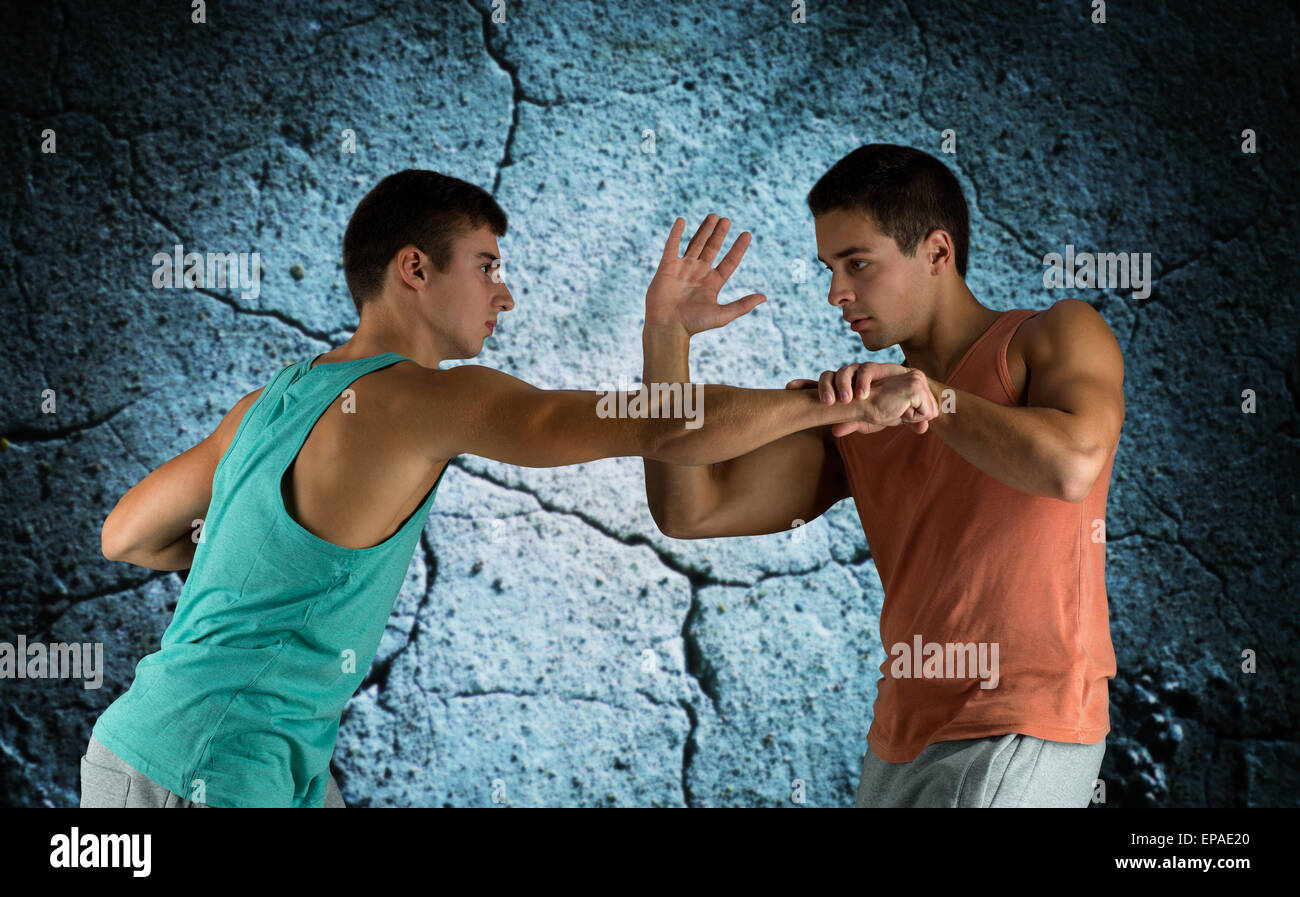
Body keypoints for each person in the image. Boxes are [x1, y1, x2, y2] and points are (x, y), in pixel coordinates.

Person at [87, 169, 935, 807]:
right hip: (214, 766)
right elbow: (664, 423)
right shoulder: (428, 397)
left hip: (147, 748)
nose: (507, 294)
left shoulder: (271, 399)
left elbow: (126, 534)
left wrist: (254, 565)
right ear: (414, 269)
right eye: (487, 266)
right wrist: (834, 402)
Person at [642, 144, 1125, 808]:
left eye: (857, 264)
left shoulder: (1053, 334)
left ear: (936, 252)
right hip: (899, 737)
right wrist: (666, 339)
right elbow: (689, 510)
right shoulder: (859, 409)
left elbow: (1073, 465)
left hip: (1024, 721)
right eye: (830, 269)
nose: (836, 293)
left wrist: (932, 397)